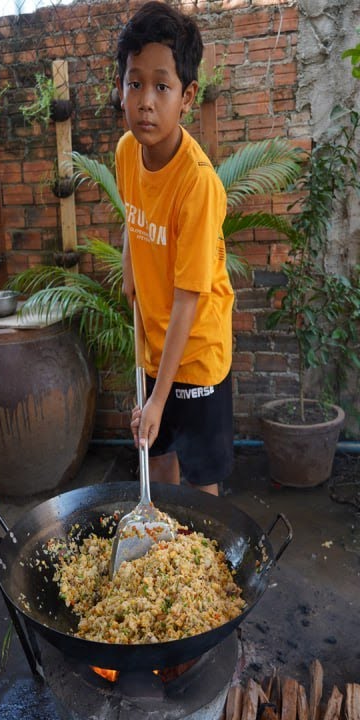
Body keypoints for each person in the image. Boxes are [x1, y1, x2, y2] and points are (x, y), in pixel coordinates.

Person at [118, 1, 233, 496]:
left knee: (201, 480)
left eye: (161, 87)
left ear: (186, 96)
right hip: (154, 345)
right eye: (134, 83)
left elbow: (189, 298)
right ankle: (160, 530)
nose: (146, 101)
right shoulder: (127, 152)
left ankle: (199, 547)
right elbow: (132, 214)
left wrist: (159, 398)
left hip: (197, 352)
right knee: (157, 452)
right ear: (121, 87)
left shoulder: (197, 184)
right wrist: (129, 266)